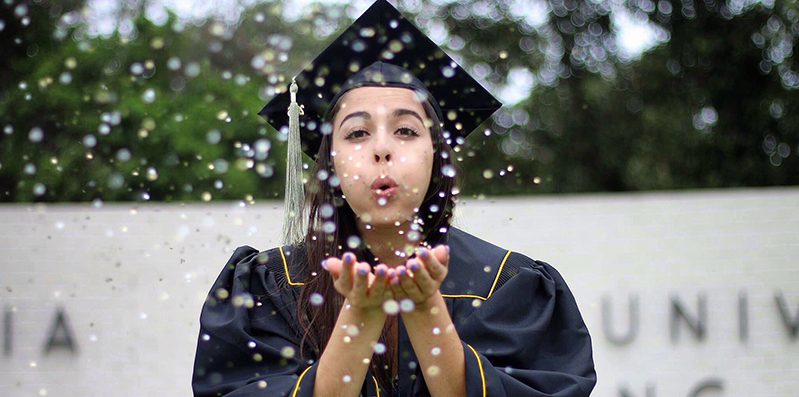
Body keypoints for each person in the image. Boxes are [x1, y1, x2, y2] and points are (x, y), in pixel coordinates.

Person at [191, 1, 596, 396]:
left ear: (436, 156)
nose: (382, 149)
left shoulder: (507, 286)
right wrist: (361, 316)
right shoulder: (271, 288)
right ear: (329, 162)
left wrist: (424, 307)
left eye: (405, 131)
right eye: (356, 133)